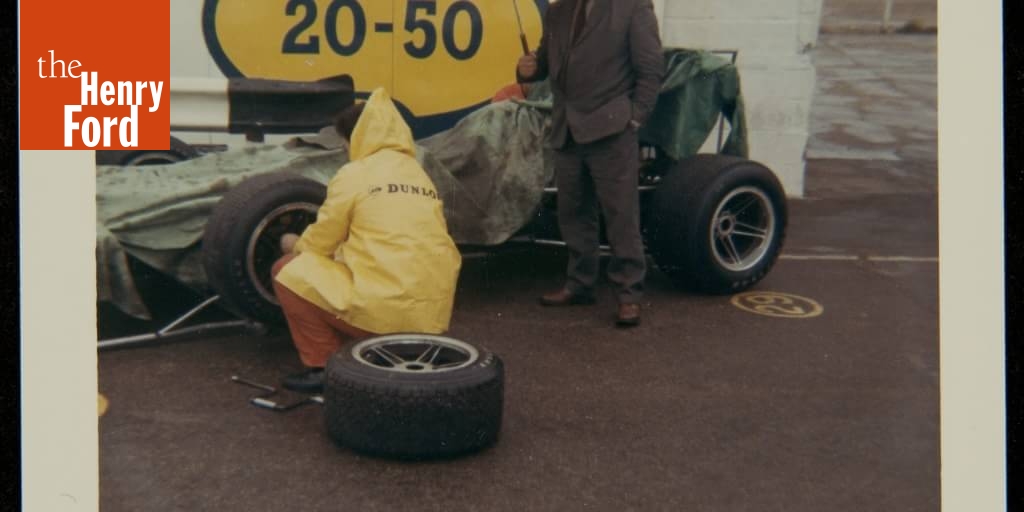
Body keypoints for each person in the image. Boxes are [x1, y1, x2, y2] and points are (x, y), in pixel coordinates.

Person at [271, 87, 462, 393]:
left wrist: (293, 243)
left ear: (355, 138)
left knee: (287, 269)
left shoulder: (355, 173)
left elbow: (321, 241)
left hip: (383, 312)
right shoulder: (417, 172)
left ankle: (324, 367)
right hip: (432, 319)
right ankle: (373, 346)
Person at [516, 0, 663, 327]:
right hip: (567, 129)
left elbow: (651, 70)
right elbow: (545, 62)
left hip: (612, 130)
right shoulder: (558, 11)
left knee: (620, 215)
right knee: (574, 212)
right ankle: (580, 285)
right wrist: (529, 67)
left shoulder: (633, 7)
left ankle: (629, 295)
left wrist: (635, 119)